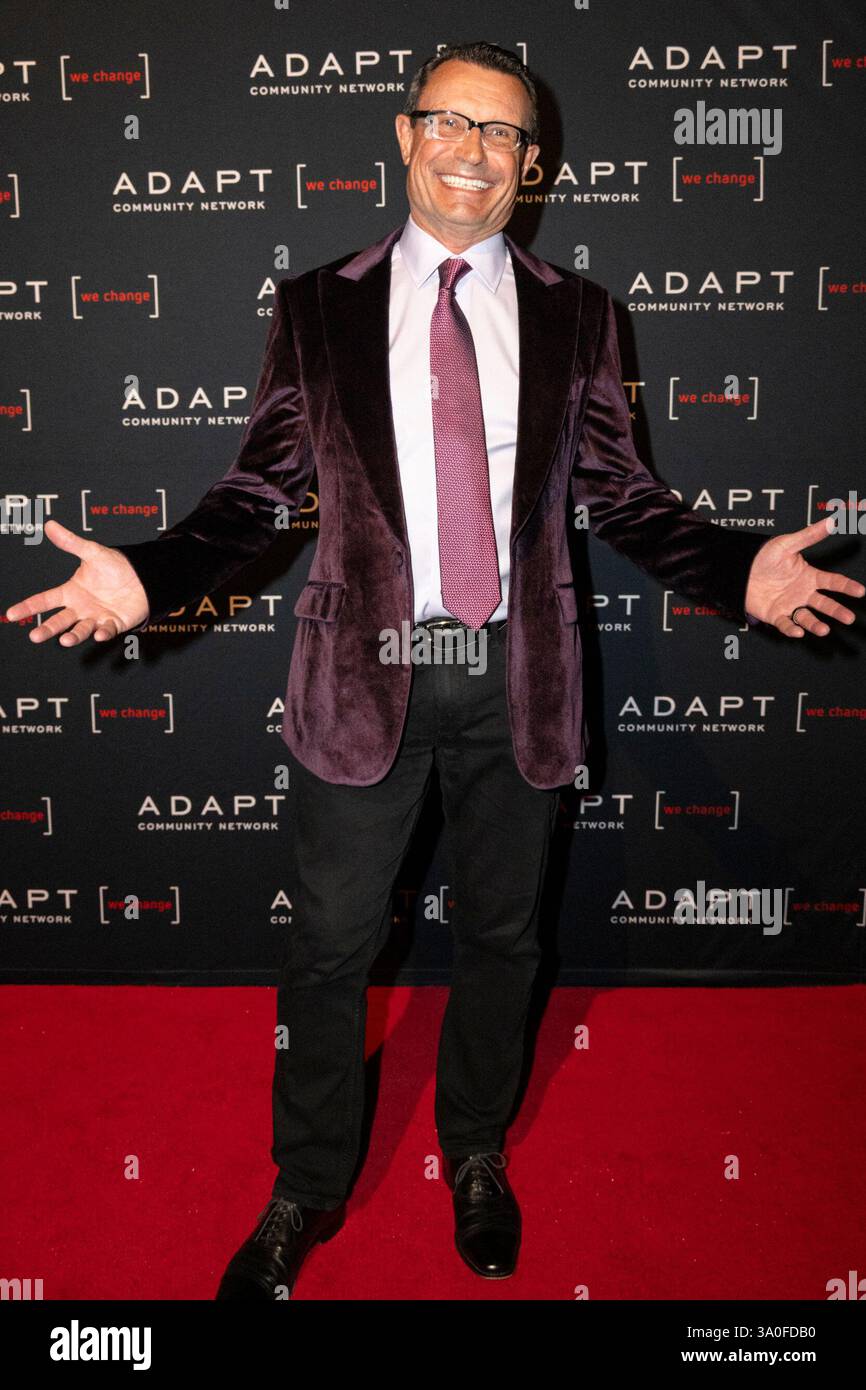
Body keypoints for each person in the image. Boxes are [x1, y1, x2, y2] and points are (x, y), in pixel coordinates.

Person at [6, 41, 863, 1300]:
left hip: (520, 677)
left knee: (507, 938)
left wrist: (736, 570)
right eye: (451, 125)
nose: (474, 152)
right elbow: (260, 491)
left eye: (503, 135)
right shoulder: (317, 305)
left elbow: (621, 494)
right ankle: (304, 1183)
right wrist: (152, 573)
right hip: (364, 681)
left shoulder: (580, 314)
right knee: (328, 953)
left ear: (532, 164)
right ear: (403, 139)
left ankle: (473, 1151)